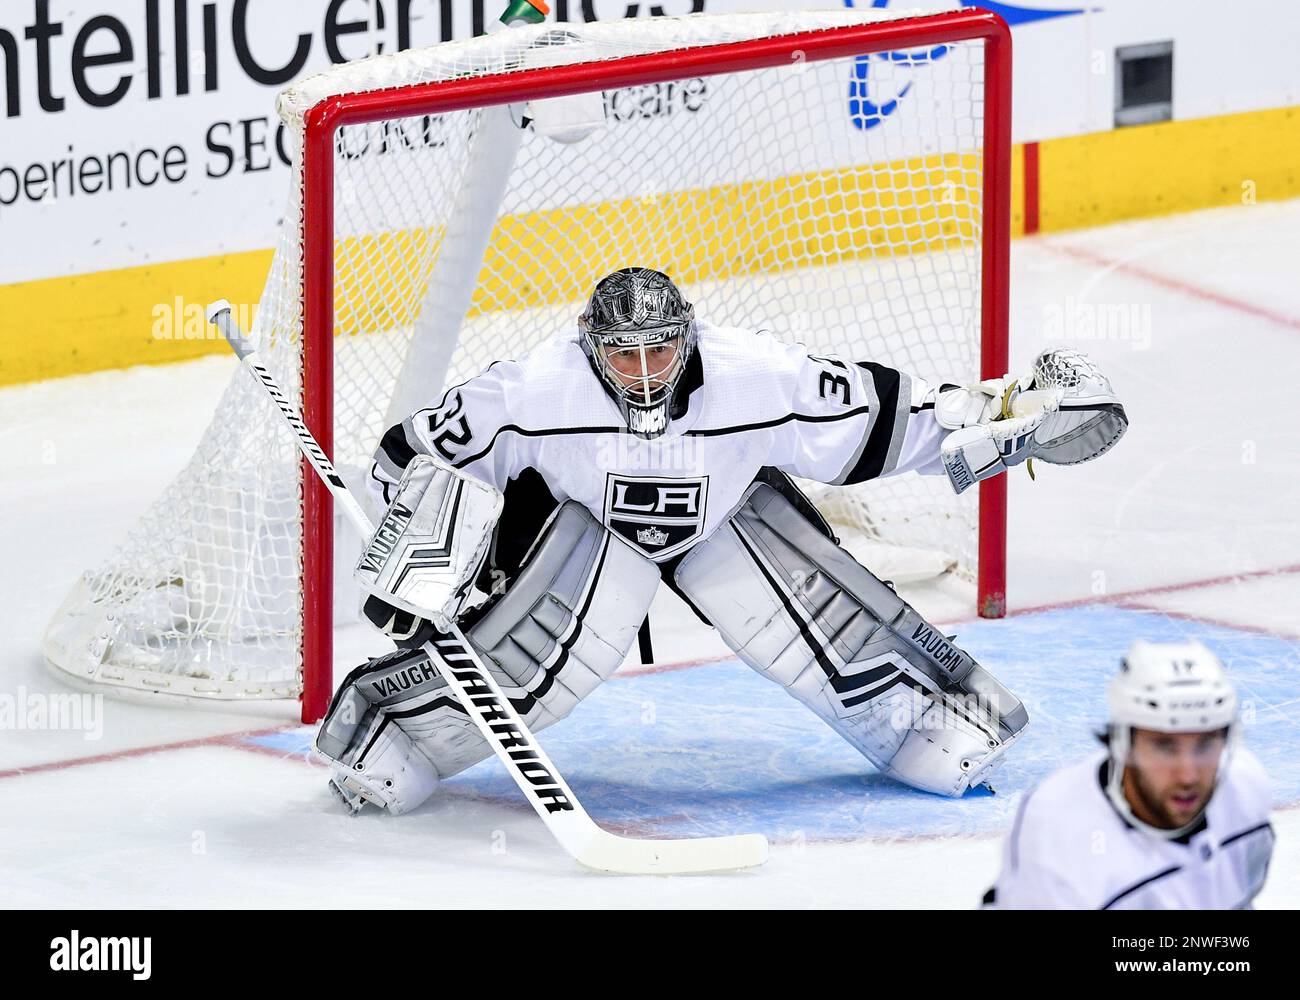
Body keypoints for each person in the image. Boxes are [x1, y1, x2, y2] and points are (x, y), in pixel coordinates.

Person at [314, 266, 1128, 816]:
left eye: (659, 349)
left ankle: (939, 718)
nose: (642, 371)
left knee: (820, 624)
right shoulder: (530, 389)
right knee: (535, 675)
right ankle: (387, 731)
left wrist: (1008, 417)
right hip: (589, 539)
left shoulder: (759, 376)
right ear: (587, 346)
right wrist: (415, 554)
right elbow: (409, 450)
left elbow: (894, 418)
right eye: (621, 354)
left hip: (724, 521)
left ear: (690, 337)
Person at [987, 640, 1274, 909]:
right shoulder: (1060, 835)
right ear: (1123, 743)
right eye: (1164, 746)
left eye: (1205, 744)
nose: (1188, 775)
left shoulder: (1246, 788)